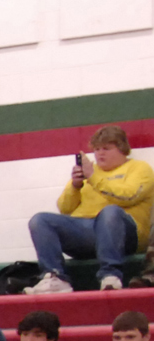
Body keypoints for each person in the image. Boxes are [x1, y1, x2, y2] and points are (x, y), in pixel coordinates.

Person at [28, 124, 153, 294]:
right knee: (40, 220)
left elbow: (129, 195)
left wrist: (93, 178)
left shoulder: (139, 168)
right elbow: (65, 208)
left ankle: (110, 275)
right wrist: (75, 186)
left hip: (126, 233)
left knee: (110, 212)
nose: (100, 153)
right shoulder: (89, 172)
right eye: (97, 149)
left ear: (122, 150)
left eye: (107, 148)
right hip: (87, 232)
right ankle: (55, 277)